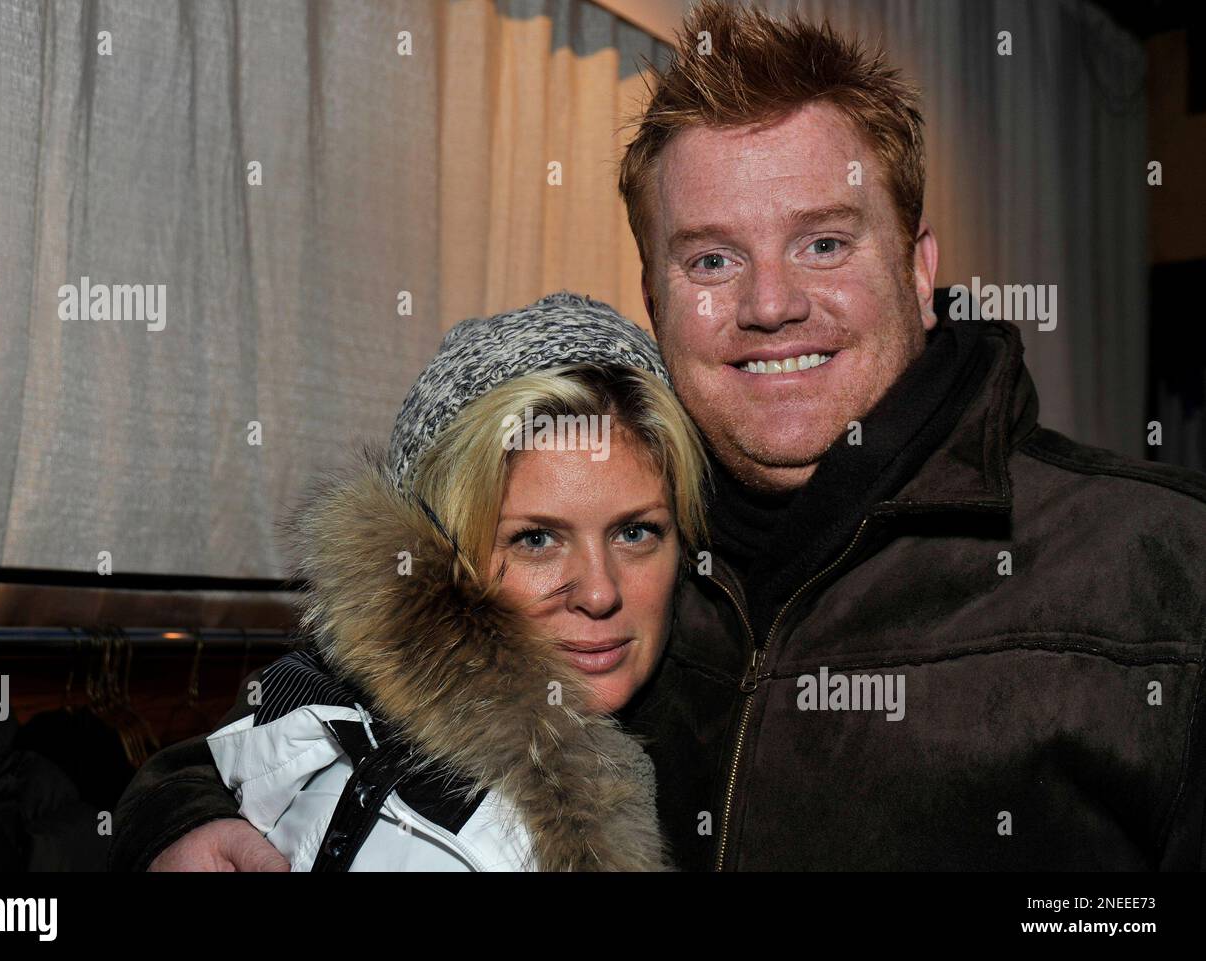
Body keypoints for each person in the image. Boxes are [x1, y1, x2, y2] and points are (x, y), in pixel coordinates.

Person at [112, 1, 1206, 872]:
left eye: (824, 242)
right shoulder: (626, 541)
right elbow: (340, 703)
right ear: (653, 292)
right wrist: (180, 810)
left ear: (918, 271)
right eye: (712, 259)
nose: (770, 304)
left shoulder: (1155, 567)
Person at [115, 293, 708, 871]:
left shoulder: (725, 704)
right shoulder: (324, 722)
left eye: (635, 532)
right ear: (440, 561)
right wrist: (175, 822)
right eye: (535, 539)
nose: (600, 593)